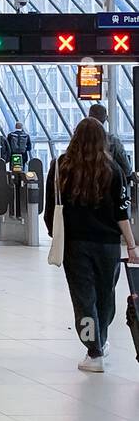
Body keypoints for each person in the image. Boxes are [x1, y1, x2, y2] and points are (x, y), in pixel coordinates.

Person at [45, 118, 139, 372]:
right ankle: (102, 339)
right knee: (105, 295)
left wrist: (55, 235)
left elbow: (50, 209)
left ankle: (94, 350)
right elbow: (122, 212)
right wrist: (131, 246)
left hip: (75, 245)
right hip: (107, 245)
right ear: (102, 140)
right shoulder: (113, 170)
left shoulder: (60, 167)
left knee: (84, 299)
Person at [87, 104, 133, 182]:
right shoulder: (113, 141)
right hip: (106, 187)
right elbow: (127, 169)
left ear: (88, 117)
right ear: (106, 118)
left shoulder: (78, 140)